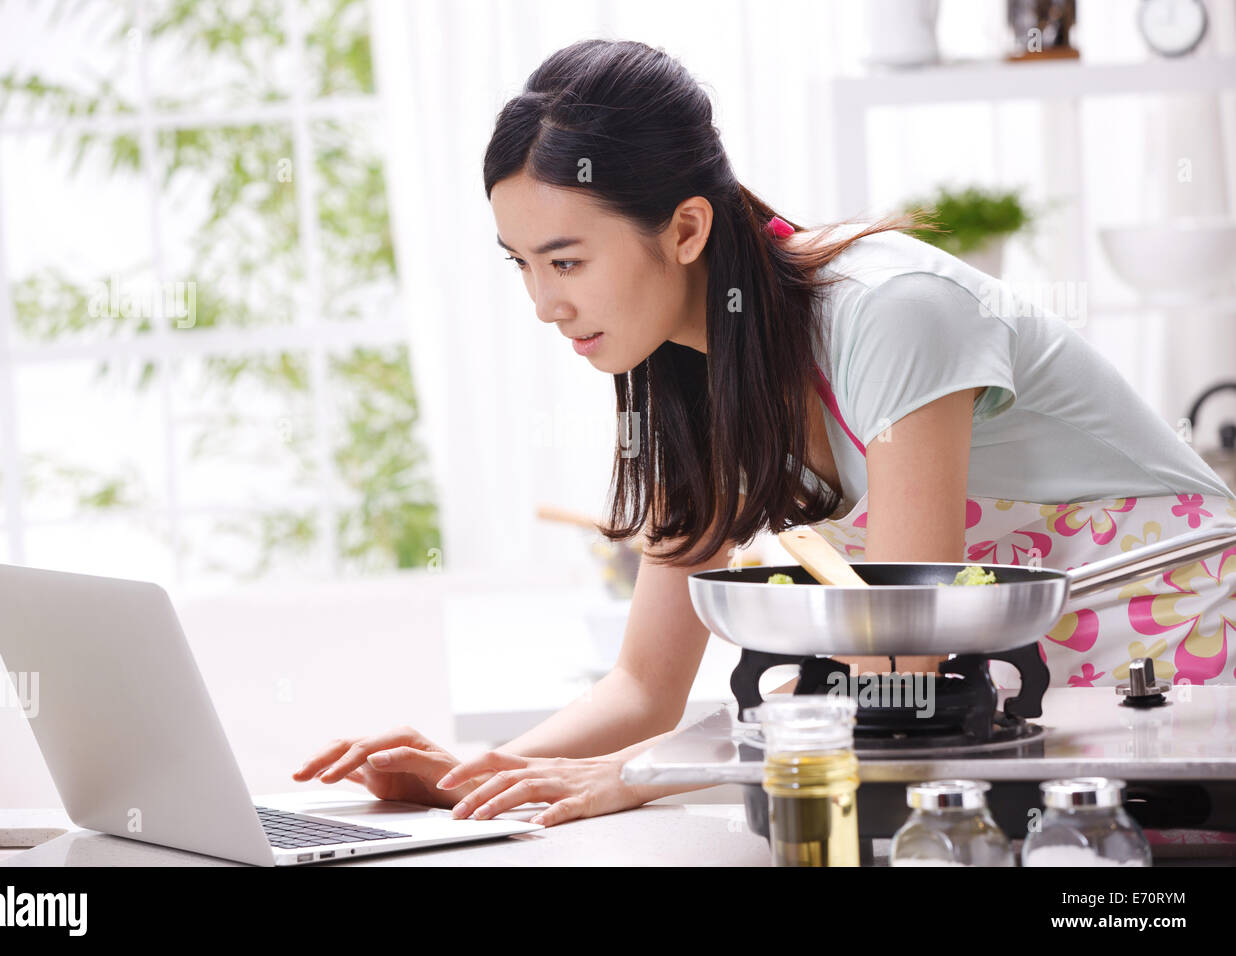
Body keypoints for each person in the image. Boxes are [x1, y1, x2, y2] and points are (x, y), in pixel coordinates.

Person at [293, 38, 1236, 828]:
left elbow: (902, 659)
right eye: (522, 265)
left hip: (1188, 684)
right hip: (1026, 718)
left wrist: (644, 773)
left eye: (566, 259)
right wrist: (475, 772)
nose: (544, 303)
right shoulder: (683, 375)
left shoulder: (894, 312)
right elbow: (642, 688)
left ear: (688, 229)